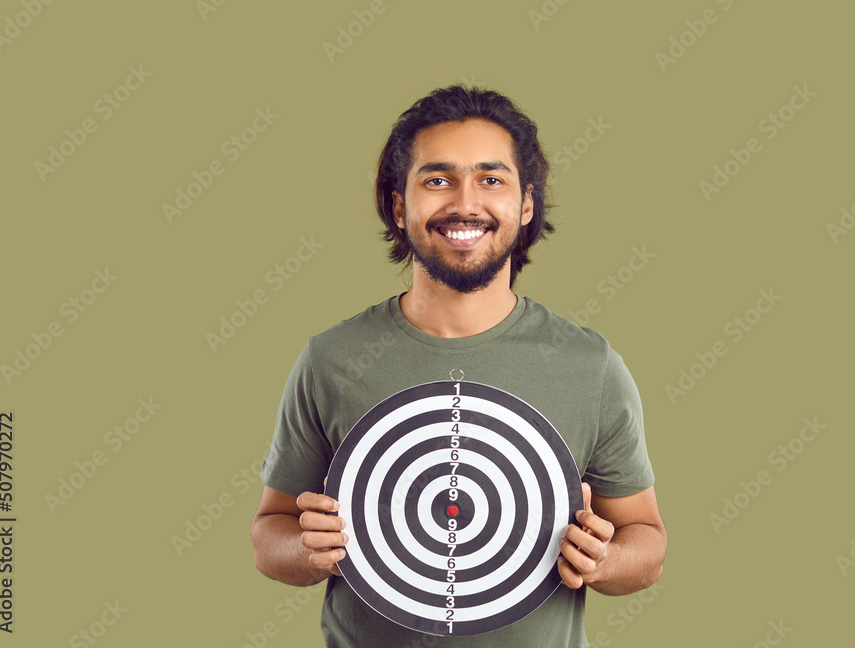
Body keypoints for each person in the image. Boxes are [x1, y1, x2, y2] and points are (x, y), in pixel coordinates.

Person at [250, 84, 666, 647]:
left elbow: (647, 542)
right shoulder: (332, 358)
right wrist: (305, 549)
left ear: (525, 205)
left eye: (491, 179)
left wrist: (604, 561)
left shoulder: (589, 365)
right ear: (400, 206)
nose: (465, 203)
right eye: (437, 179)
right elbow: (267, 536)